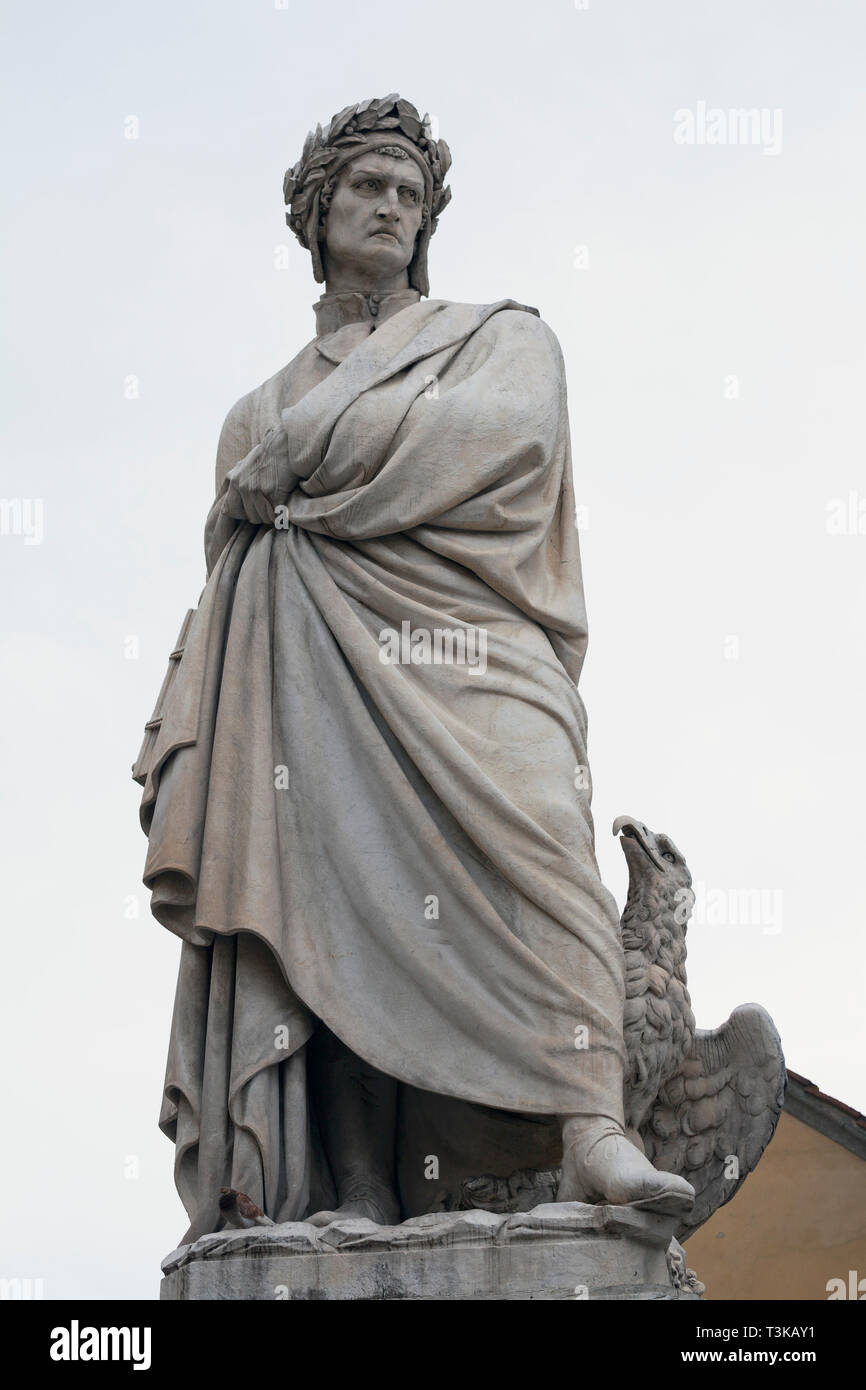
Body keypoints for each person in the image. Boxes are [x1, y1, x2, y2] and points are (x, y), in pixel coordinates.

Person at [133, 95, 693, 1243]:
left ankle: (589, 1126)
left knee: (546, 845)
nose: (390, 206)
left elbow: (504, 439)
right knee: (324, 894)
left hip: (476, 652)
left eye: (408, 192)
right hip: (311, 671)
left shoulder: (499, 338)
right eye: (366, 188)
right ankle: (358, 1182)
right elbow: (240, 524)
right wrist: (294, 475)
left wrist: (307, 474)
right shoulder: (258, 408)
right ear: (317, 211)